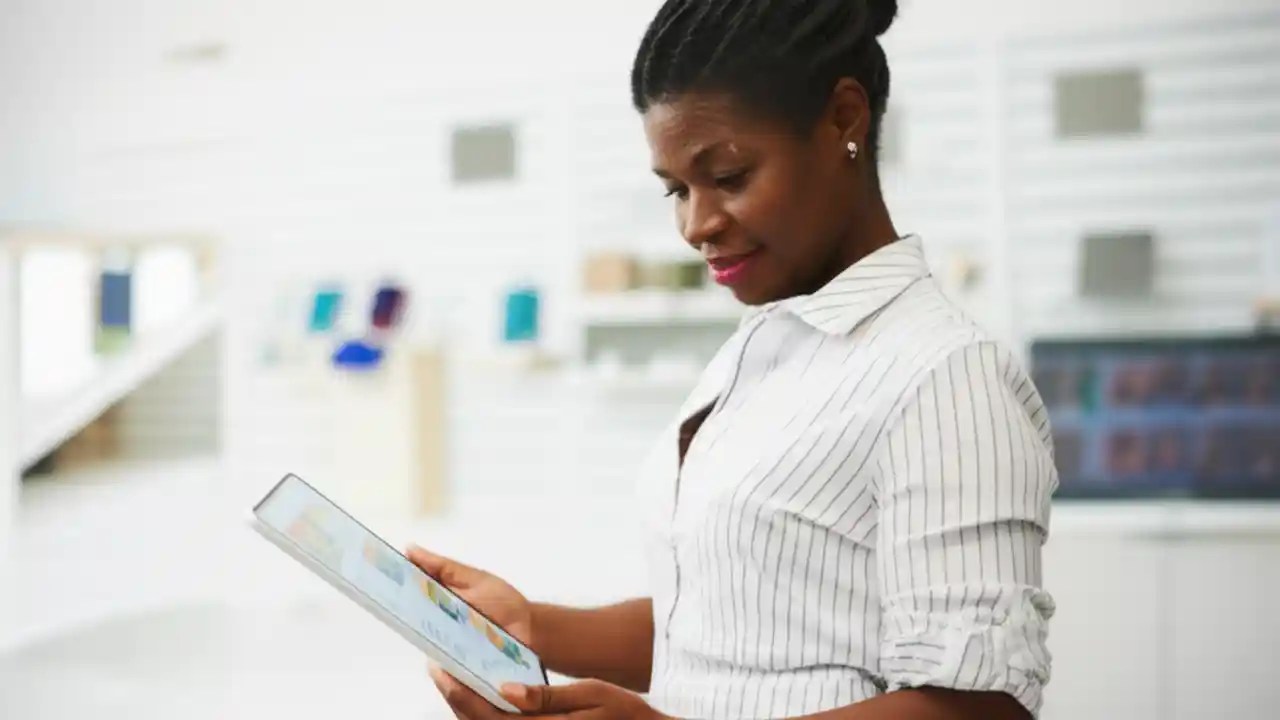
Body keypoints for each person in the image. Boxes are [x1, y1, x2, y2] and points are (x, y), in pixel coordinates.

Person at [412, 1, 1058, 718]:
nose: (696, 225)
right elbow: (727, 623)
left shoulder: (945, 374)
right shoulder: (758, 349)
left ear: (845, 120)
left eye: (729, 175)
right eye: (676, 190)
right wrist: (533, 626)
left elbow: (977, 708)